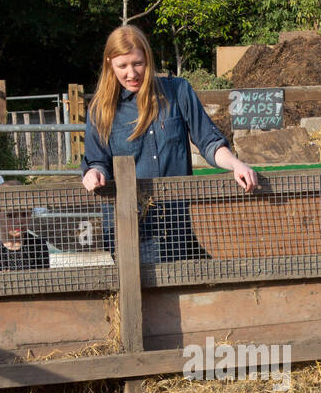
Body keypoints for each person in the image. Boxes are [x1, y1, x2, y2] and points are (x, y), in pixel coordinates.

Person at [80, 25, 257, 261]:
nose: (131, 73)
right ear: (110, 64)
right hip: (130, 229)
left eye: (137, 63)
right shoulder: (101, 110)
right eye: (122, 66)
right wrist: (94, 173)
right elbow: (97, 160)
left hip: (176, 224)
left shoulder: (177, 92)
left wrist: (236, 165)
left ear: (148, 60)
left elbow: (209, 142)